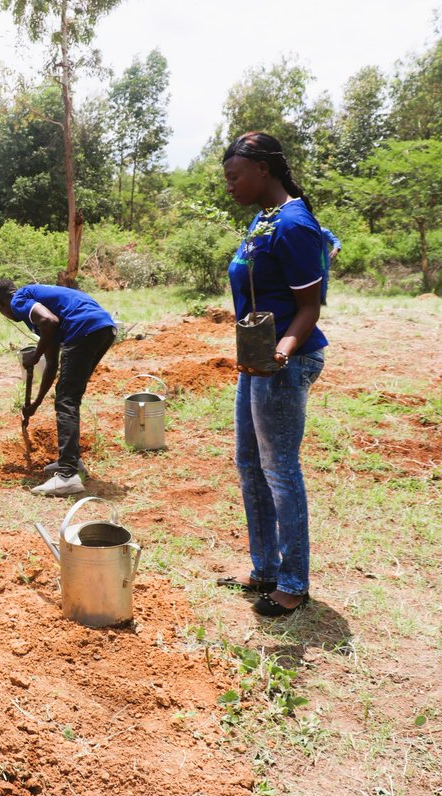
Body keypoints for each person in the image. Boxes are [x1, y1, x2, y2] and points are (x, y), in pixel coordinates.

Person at [216, 131, 327, 617]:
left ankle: (292, 582)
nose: (229, 185)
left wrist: (281, 351)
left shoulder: (294, 223)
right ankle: (263, 567)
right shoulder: (265, 219)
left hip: (285, 360)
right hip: (257, 360)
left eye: (234, 176)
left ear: (264, 169)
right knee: (249, 464)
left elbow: (309, 307)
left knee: (279, 470)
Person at [0, 280, 115, 497]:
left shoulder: (20, 299)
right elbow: (52, 363)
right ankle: (71, 463)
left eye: (2, 310)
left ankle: (67, 475)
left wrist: (34, 355)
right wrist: (36, 403)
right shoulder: (40, 303)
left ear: (2, 304)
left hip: (82, 329)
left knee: (67, 400)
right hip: (102, 328)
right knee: (69, 397)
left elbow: (49, 321)